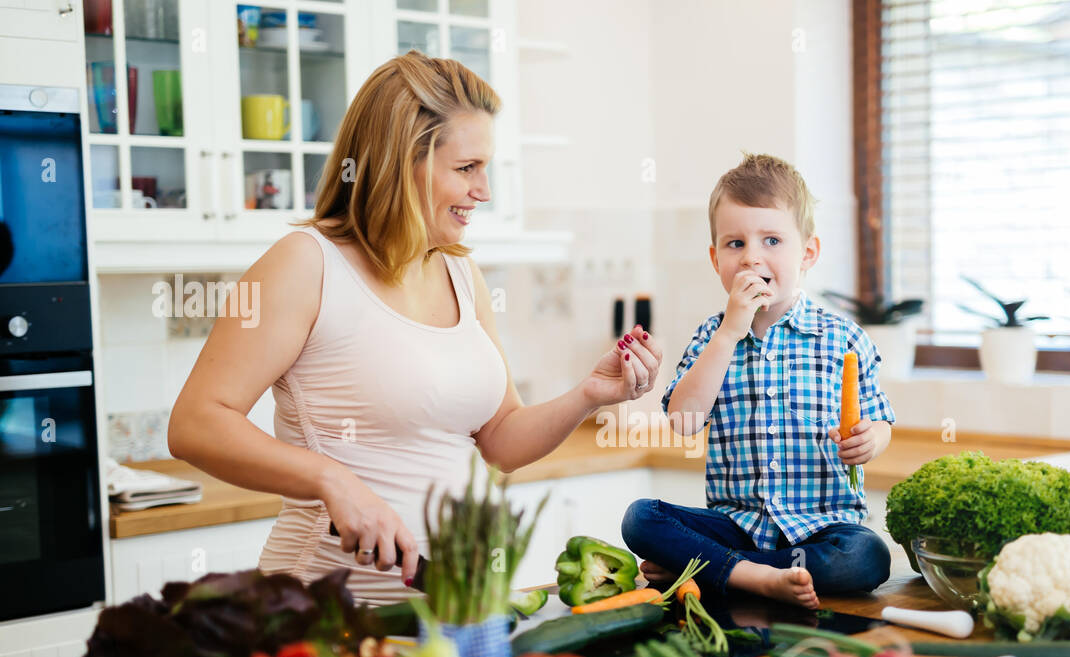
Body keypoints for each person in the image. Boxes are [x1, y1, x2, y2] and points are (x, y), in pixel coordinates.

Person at [168, 53, 662, 604]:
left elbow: (499, 440)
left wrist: (589, 395)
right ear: (403, 162)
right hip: (328, 613)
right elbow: (195, 424)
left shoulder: (459, 271)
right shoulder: (306, 265)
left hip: (448, 612)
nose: (484, 190)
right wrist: (332, 481)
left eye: (486, 167)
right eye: (466, 167)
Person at [622, 153, 894, 610]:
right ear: (715, 259)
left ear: (807, 253)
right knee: (641, 519)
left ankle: (721, 568)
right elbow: (685, 421)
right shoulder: (713, 335)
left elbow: (880, 420)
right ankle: (752, 573)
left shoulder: (844, 337)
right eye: (734, 244)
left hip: (822, 525)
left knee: (867, 556)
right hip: (736, 521)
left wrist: (872, 440)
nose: (751, 257)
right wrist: (730, 331)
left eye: (771, 240)